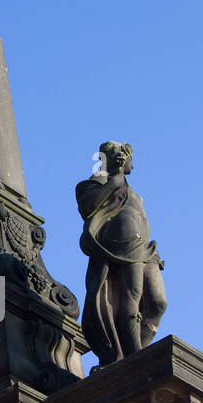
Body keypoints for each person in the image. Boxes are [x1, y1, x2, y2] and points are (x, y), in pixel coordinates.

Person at [75, 141, 167, 367]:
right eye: (122, 157)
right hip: (123, 243)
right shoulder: (96, 183)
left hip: (146, 248)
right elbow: (88, 207)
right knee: (131, 297)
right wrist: (114, 179)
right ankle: (133, 356)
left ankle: (135, 351)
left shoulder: (135, 193)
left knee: (157, 303)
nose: (128, 164)